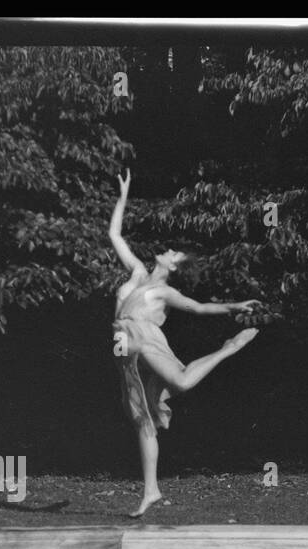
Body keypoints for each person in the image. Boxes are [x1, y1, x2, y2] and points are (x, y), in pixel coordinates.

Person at [110, 169, 263, 517]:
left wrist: (234, 305)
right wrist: (122, 199)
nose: (166, 251)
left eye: (173, 254)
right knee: (142, 419)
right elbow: (115, 235)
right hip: (122, 343)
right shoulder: (137, 273)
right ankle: (151, 491)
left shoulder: (165, 291)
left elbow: (199, 307)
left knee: (180, 381)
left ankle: (229, 348)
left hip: (144, 337)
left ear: (174, 268)